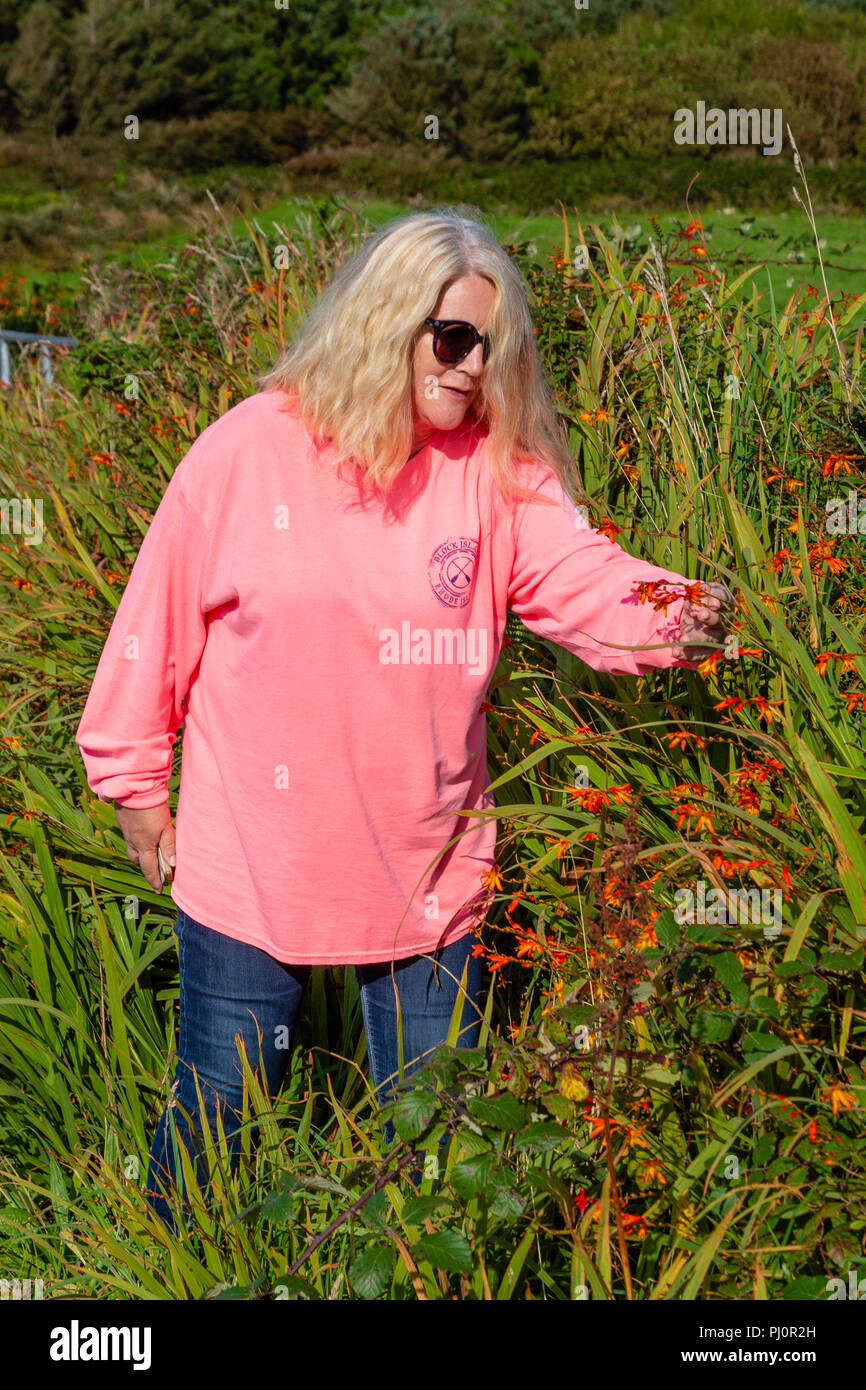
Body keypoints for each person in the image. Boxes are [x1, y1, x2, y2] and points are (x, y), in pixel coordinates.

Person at [74, 207, 733, 1234]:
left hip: (428, 871)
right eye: (453, 338)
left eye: (491, 346)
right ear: (386, 320)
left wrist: (686, 614)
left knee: (437, 1149)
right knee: (214, 1118)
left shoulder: (495, 470)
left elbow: (580, 575)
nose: (472, 369)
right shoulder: (246, 453)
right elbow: (148, 633)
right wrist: (132, 790)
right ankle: (163, 1276)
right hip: (253, 859)